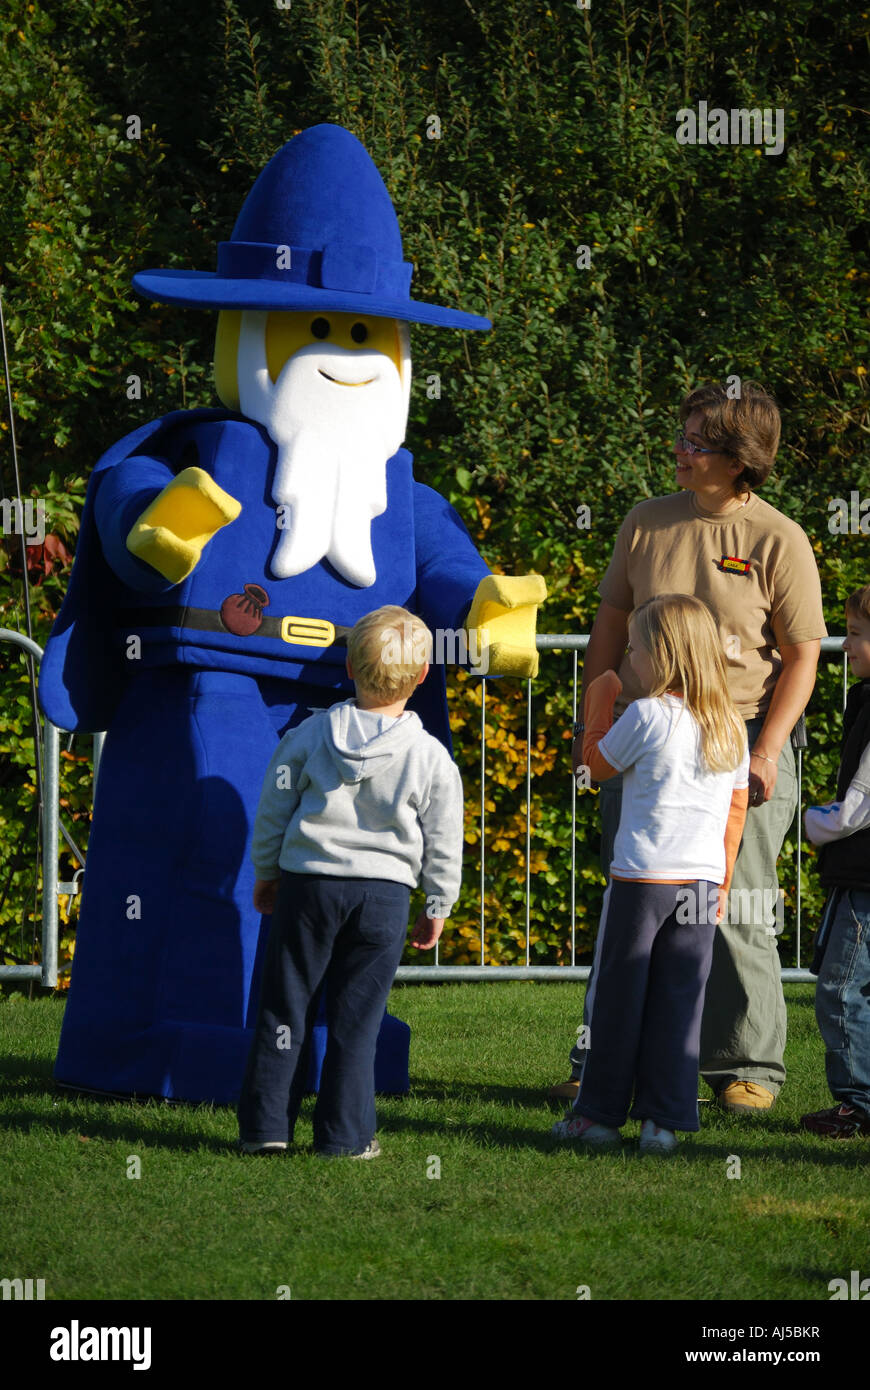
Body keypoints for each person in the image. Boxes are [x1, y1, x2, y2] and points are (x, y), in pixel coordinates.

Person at [551, 382, 826, 1113]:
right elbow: (610, 622)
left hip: (737, 749)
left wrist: (766, 752)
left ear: (742, 460)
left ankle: (748, 1069)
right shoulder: (645, 522)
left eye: (698, 442)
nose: (680, 449)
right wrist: (594, 732)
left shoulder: (780, 538)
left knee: (733, 908)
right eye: (683, 434)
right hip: (644, 746)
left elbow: (803, 656)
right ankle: (606, 1062)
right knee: (631, 908)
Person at [237, 605, 463, 1158]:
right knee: (357, 1019)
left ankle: (266, 1128)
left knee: (285, 1006)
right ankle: (344, 1138)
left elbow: (273, 809)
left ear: (348, 664)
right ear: (424, 674)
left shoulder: (309, 734)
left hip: (308, 883)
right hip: (383, 896)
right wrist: (437, 903)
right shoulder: (430, 757)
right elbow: (444, 836)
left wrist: (267, 872)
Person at [552, 594, 749, 1153]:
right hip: (702, 884)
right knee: (680, 1004)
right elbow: (735, 814)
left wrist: (598, 699)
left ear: (662, 653)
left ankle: (597, 1116)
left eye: (636, 646)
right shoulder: (731, 725)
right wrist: (724, 883)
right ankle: (664, 1122)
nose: (630, 656)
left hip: (641, 880)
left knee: (618, 1000)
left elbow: (591, 768)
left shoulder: (646, 713)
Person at [800, 585, 870, 1139]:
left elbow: (854, 811)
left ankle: (857, 1104)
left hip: (864, 878)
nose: (844, 644)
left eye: (857, 634)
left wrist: (808, 823)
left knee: (842, 988)